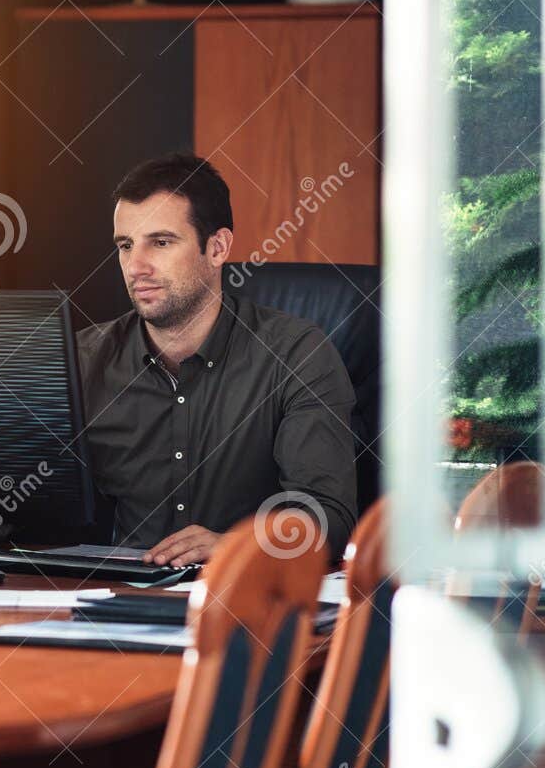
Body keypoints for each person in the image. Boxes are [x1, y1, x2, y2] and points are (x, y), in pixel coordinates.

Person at [76, 153, 357, 567]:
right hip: (111, 597)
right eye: (125, 245)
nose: (135, 266)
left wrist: (237, 546)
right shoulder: (81, 361)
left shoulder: (297, 353)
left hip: (248, 601)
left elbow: (327, 516)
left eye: (161, 242)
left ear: (218, 247)